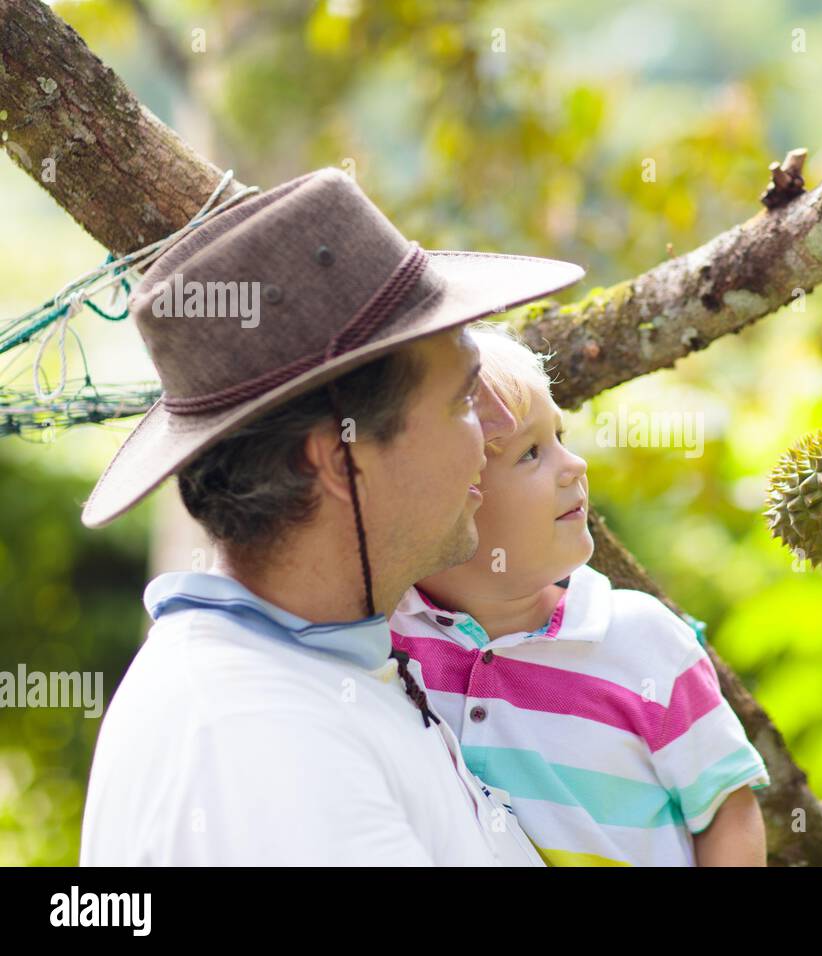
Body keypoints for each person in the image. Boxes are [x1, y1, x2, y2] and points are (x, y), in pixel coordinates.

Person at [77, 167, 585, 864]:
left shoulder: (320, 667)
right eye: (463, 400)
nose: (489, 435)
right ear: (337, 460)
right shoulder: (260, 741)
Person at [388, 322, 770, 866]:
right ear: (447, 497)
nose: (575, 466)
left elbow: (727, 810)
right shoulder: (390, 630)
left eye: (560, 438)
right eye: (530, 454)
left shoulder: (643, 642)